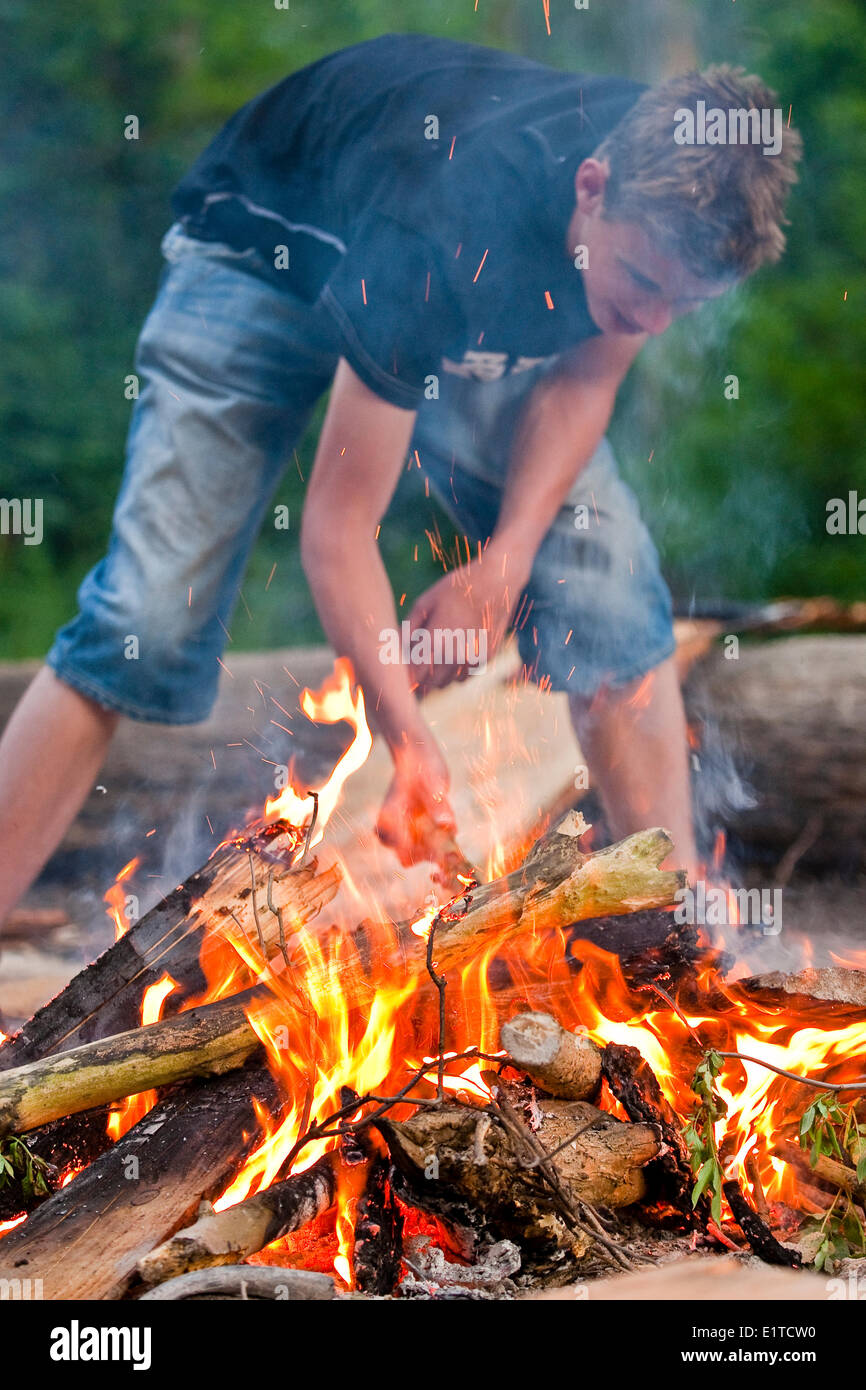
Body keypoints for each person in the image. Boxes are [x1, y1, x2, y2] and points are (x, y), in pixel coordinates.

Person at [0, 34, 801, 920]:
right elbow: (339, 531)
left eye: (682, 305)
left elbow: (584, 382)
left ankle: (678, 927)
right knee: (144, 612)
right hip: (262, 256)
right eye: (644, 283)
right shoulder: (444, 222)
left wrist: (503, 565)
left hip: (446, 295)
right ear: (590, 189)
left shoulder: (665, 191)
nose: (652, 319)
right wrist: (404, 736)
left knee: (608, 587)